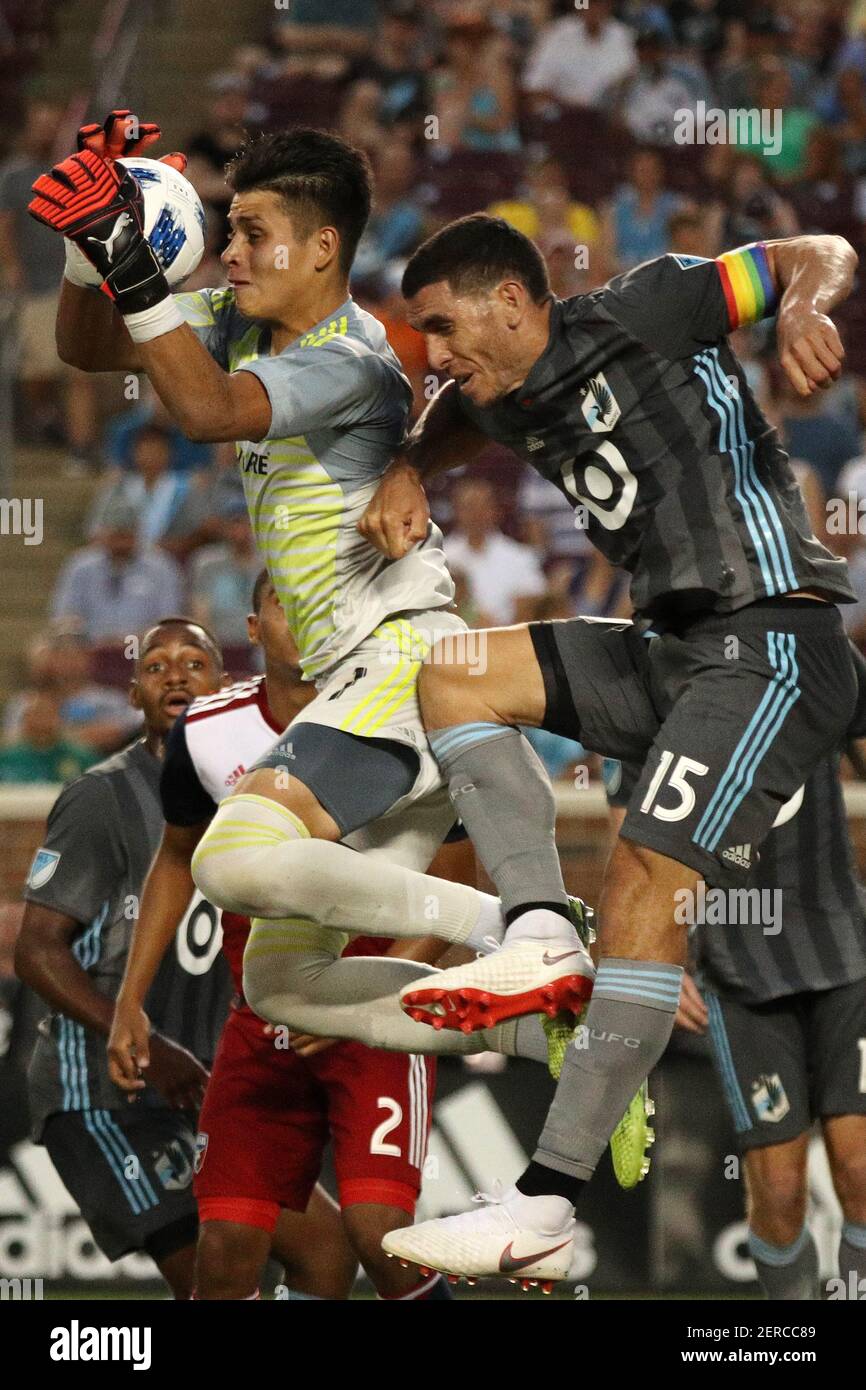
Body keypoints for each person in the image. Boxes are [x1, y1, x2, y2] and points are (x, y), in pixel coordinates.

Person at [34, 112, 593, 1110]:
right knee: (282, 982)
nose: (232, 252)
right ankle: (550, 1038)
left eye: (252, 233)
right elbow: (91, 352)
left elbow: (203, 412)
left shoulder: (352, 357)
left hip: (405, 663)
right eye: (228, 231)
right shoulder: (245, 327)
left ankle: (521, 928)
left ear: (322, 244)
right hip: (356, 683)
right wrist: (91, 255)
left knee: (235, 859)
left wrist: (138, 271)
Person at [356, 213, 860, 1279]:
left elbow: (809, 253)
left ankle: (543, 1202)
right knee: (453, 672)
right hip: (671, 646)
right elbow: (453, 418)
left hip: (768, 633)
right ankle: (539, 926)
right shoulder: (500, 394)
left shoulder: (644, 307)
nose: (432, 356)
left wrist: (808, 303)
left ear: (510, 301)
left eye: (442, 327)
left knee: (641, 873)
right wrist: (408, 464)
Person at [13, 620, 234, 1297]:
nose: (175, 676)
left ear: (226, 686)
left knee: (323, 1253)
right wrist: (142, 1039)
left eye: (194, 662)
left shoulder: (252, 794)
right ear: (133, 695)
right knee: (213, 1281)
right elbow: (35, 949)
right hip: (108, 1095)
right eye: (156, 666)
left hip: (206, 1085)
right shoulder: (102, 797)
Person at [0, 689, 95, 784]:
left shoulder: (81, 757)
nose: (42, 723)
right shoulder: (6, 758)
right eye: (36, 715)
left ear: (61, 720)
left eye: (48, 716)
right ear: (25, 721)